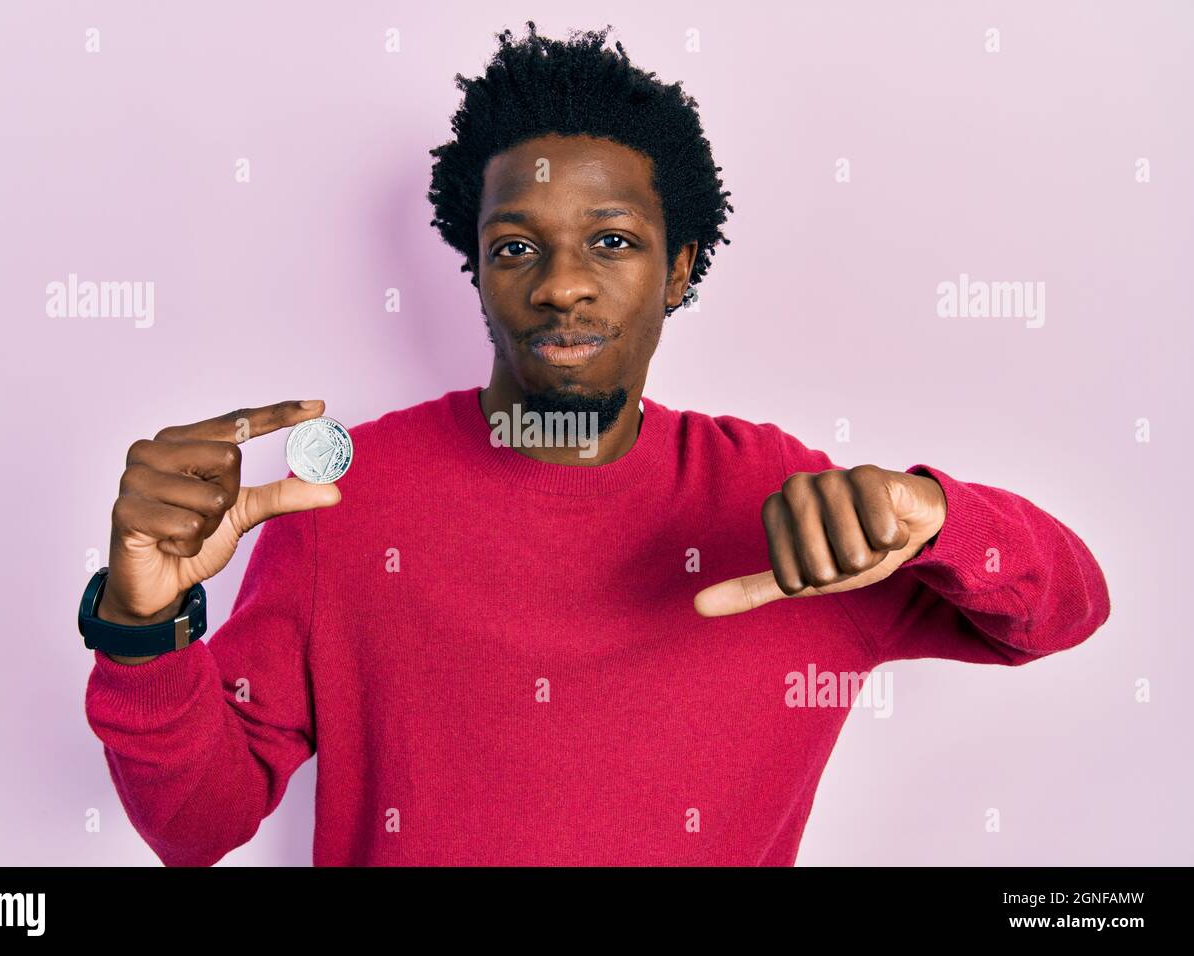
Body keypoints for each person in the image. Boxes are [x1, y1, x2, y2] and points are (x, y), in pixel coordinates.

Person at [83, 22, 1110, 866]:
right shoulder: (343, 499)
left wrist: (933, 515)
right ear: (476, 270)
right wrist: (143, 616)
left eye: (611, 241)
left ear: (678, 268)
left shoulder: (791, 508)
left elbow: (1065, 610)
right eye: (515, 246)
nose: (561, 283)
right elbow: (195, 822)